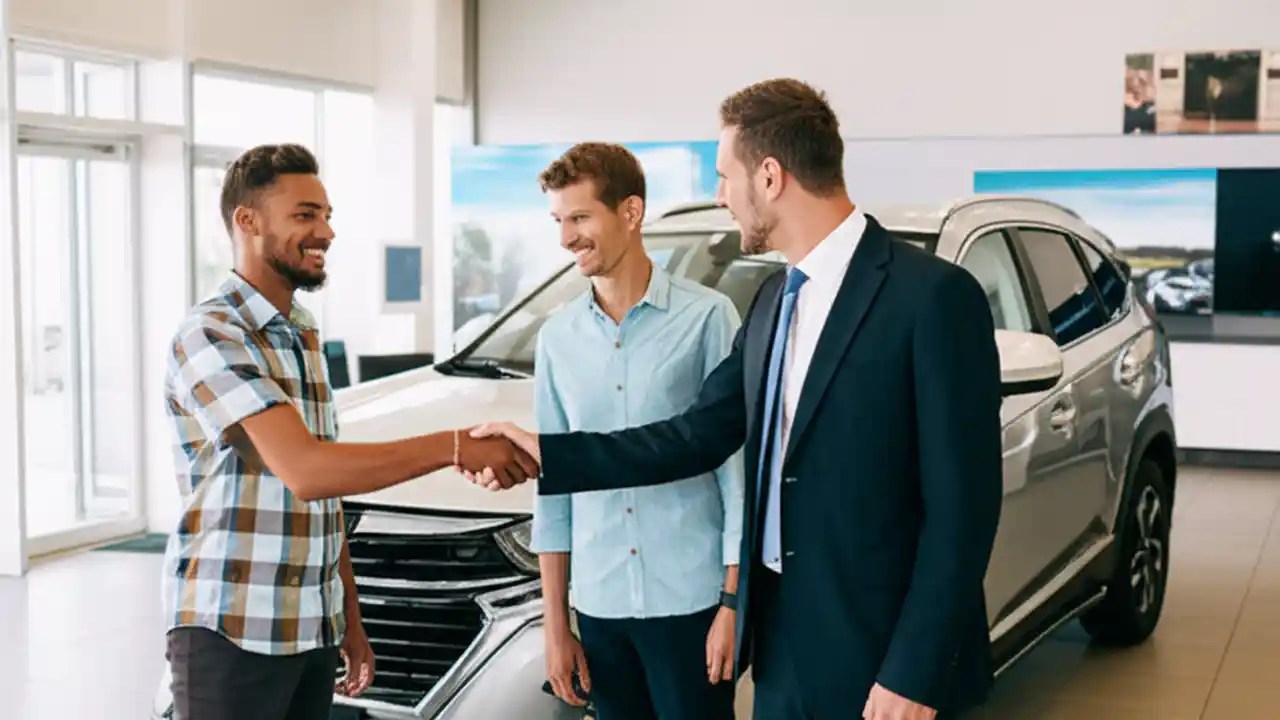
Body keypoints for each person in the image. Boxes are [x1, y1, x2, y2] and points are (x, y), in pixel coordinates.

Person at [467, 79, 1003, 720]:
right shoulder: (774, 303)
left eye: (726, 176)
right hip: (780, 645)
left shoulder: (934, 297)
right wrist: (547, 452)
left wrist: (913, 673)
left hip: (883, 655)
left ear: (770, 176)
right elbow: (692, 436)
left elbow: (963, 513)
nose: (721, 195)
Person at [161, 143, 537, 720]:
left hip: (309, 632)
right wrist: (455, 445)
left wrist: (347, 618)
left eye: (327, 215)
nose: (326, 232)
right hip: (232, 633)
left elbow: (326, 495)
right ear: (248, 220)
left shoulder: (300, 331)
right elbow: (307, 471)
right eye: (306, 215)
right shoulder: (213, 334)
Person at [528, 142, 745, 720]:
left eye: (579, 218)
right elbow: (553, 490)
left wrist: (733, 601)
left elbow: (735, 470)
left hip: (692, 601)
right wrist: (557, 626)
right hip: (600, 606)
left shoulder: (709, 317)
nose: (566, 238)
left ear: (630, 212)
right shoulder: (558, 339)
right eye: (559, 221)